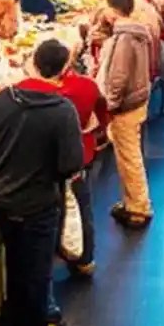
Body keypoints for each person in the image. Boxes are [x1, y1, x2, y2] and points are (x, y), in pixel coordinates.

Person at [0, 39, 84, 326]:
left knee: (15, 267)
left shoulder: (3, 99)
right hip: (39, 203)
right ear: (63, 71)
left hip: (1, 200)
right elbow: (70, 164)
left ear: (33, 62)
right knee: (36, 274)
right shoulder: (62, 111)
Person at [98, 0, 155, 228]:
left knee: (129, 156)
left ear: (112, 9)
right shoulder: (136, 33)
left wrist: (109, 104)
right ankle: (132, 201)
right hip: (138, 99)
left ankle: (139, 208)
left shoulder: (124, 38)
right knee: (127, 155)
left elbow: (118, 75)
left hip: (126, 105)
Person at [57, 45, 110, 277]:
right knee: (82, 205)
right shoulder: (87, 85)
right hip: (81, 154)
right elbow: (102, 110)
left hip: (50, 158)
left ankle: (58, 252)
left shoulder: (38, 93)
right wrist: (100, 134)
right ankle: (84, 258)